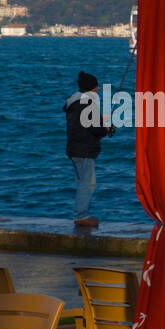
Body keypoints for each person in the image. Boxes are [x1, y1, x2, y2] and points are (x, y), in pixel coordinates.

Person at [64, 70, 111, 228]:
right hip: (83, 150)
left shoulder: (74, 103)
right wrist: (107, 129)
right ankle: (81, 216)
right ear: (90, 89)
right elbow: (96, 129)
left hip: (74, 149)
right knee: (88, 184)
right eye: (95, 87)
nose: (98, 90)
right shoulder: (87, 104)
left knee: (81, 182)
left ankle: (80, 213)